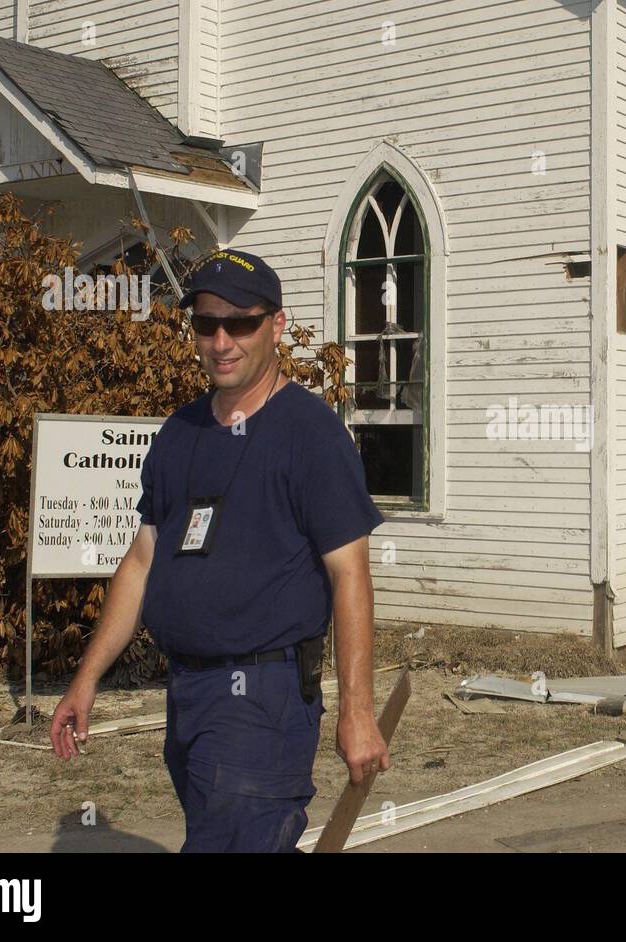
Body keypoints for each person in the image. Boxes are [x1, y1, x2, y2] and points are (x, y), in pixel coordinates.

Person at [50, 250, 390, 850]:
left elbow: (350, 576)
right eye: (207, 324)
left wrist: (356, 709)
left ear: (276, 326)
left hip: (262, 698)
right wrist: (85, 680)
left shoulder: (309, 435)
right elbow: (142, 561)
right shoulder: (181, 434)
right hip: (189, 694)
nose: (222, 340)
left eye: (241, 322)